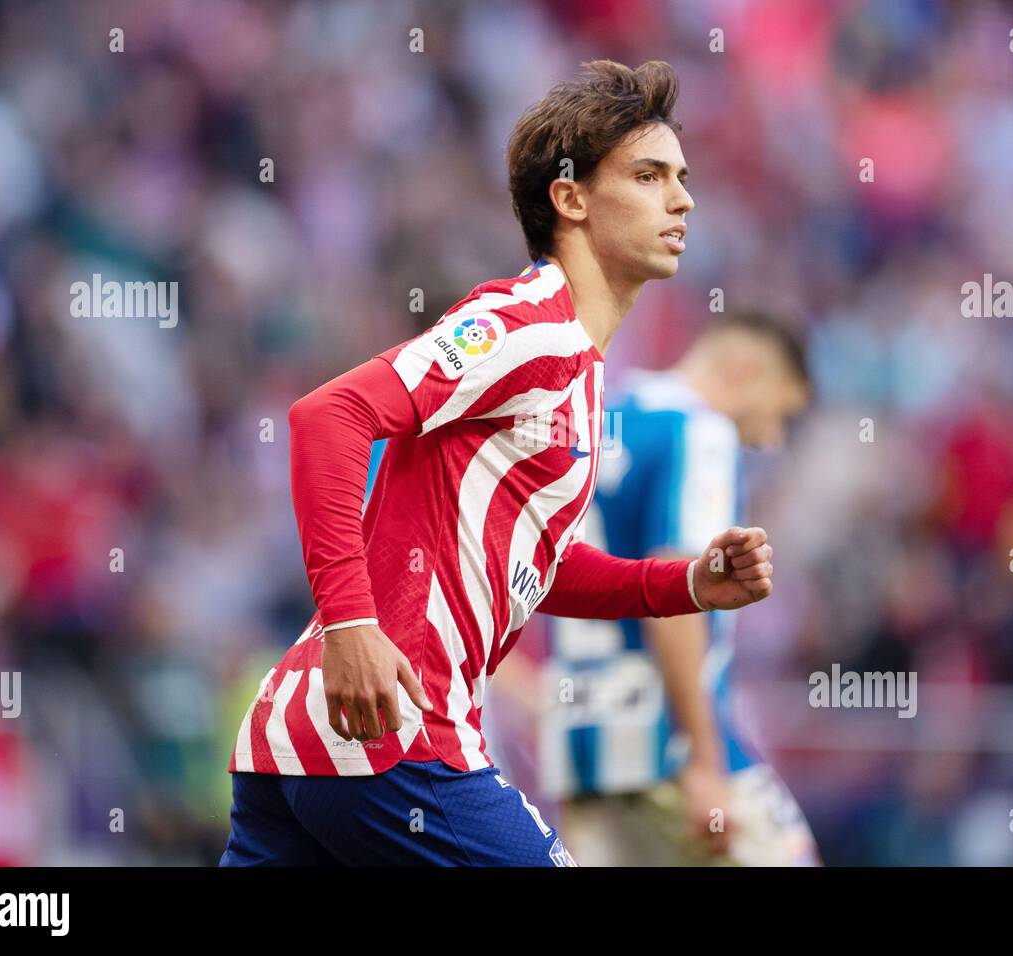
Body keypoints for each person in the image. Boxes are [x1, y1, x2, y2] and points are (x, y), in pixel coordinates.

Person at [219, 59, 778, 866]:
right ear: (571, 197)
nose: (682, 199)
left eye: (682, 178)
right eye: (650, 176)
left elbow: (534, 570)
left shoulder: (577, 373)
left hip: (300, 741)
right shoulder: (524, 326)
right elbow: (328, 417)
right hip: (393, 734)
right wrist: (350, 622)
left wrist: (684, 584)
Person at [533, 313, 821, 866]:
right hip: (666, 741)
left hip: (582, 747)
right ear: (744, 370)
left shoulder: (598, 419)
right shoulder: (699, 431)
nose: (772, 438)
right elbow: (680, 595)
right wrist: (705, 762)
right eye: (782, 413)